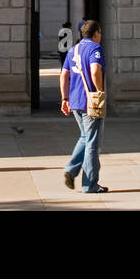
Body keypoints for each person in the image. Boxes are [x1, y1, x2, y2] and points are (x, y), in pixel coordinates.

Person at [61, 19, 107, 194]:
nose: (100, 37)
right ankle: (90, 185)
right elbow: (95, 70)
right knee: (92, 143)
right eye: (100, 33)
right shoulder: (95, 49)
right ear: (95, 34)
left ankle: (71, 169)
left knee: (84, 137)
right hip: (90, 102)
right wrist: (99, 91)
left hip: (75, 101)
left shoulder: (73, 50)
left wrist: (65, 98)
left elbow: (63, 76)